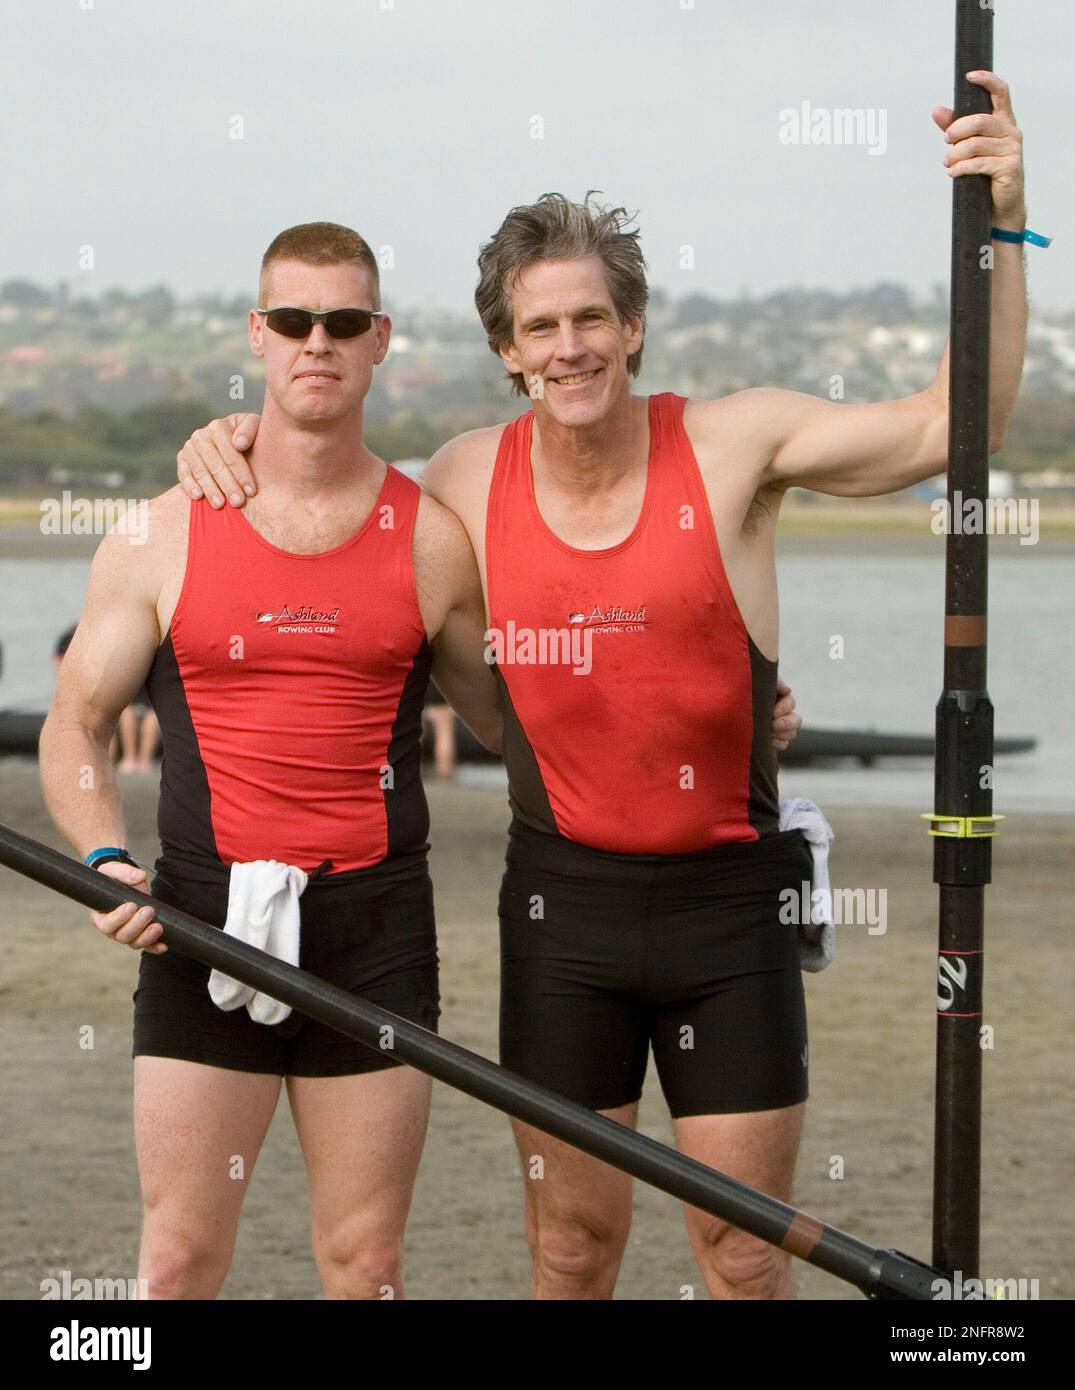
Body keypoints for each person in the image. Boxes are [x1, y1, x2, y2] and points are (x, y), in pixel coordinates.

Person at [175, 64, 1028, 1303]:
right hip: (558, 911)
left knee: (740, 1252)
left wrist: (1002, 220)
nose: (568, 346)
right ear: (506, 352)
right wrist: (221, 438)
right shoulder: (464, 479)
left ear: (630, 326)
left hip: (727, 908)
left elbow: (961, 422)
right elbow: (327, 498)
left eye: (590, 319)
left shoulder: (734, 444)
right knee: (571, 1252)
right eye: (539, 328)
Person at [39, 223, 502, 1300]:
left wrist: (714, 705)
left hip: (376, 931)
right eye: (293, 320)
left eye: (344, 322)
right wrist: (106, 856)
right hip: (198, 916)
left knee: (365, 1263)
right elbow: (76, 724)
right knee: (179, 1261)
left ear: (379, 339)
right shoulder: (163, 531)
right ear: (258, 333)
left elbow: (514, 727)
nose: (317, 342)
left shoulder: (433, 539)